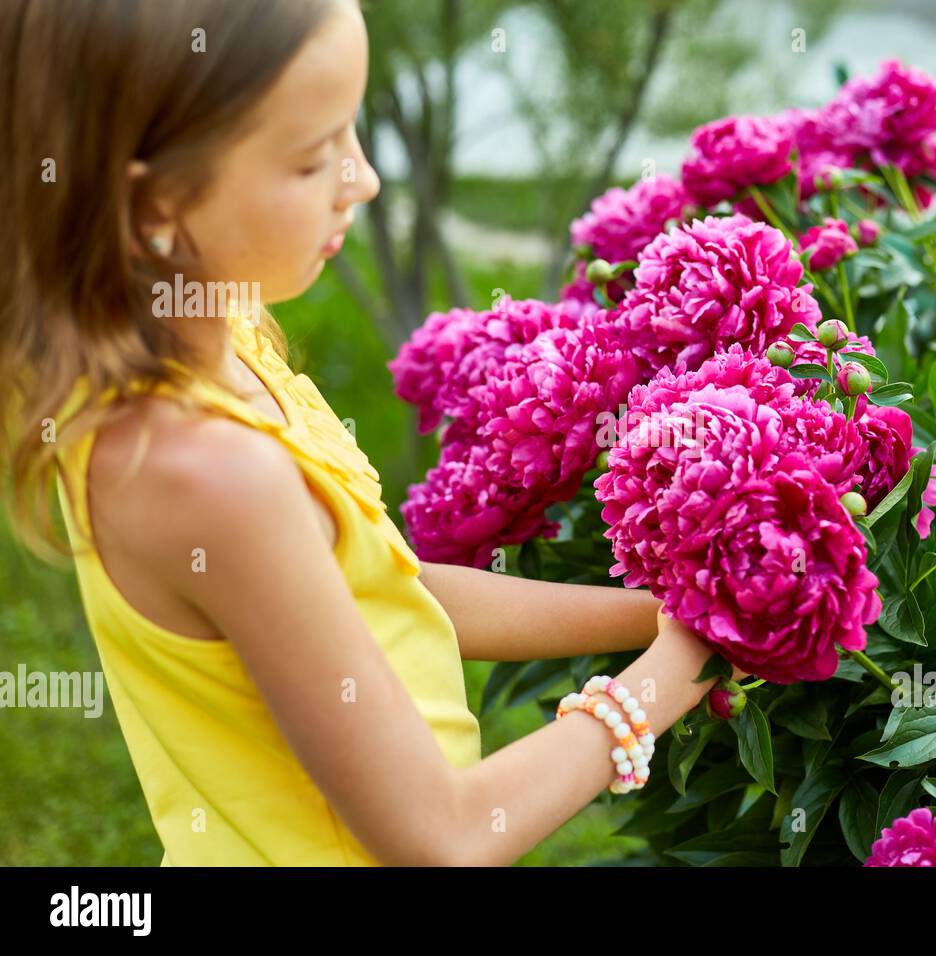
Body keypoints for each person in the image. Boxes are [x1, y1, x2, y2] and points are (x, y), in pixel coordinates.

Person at [0, 0, 745, 866]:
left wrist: (668, 616)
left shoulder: (220, 346)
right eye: (316, 157)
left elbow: (384, 592)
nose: (366, 180)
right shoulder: (200, 471)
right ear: (158, 200)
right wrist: (667, 680)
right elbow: (444, 838)